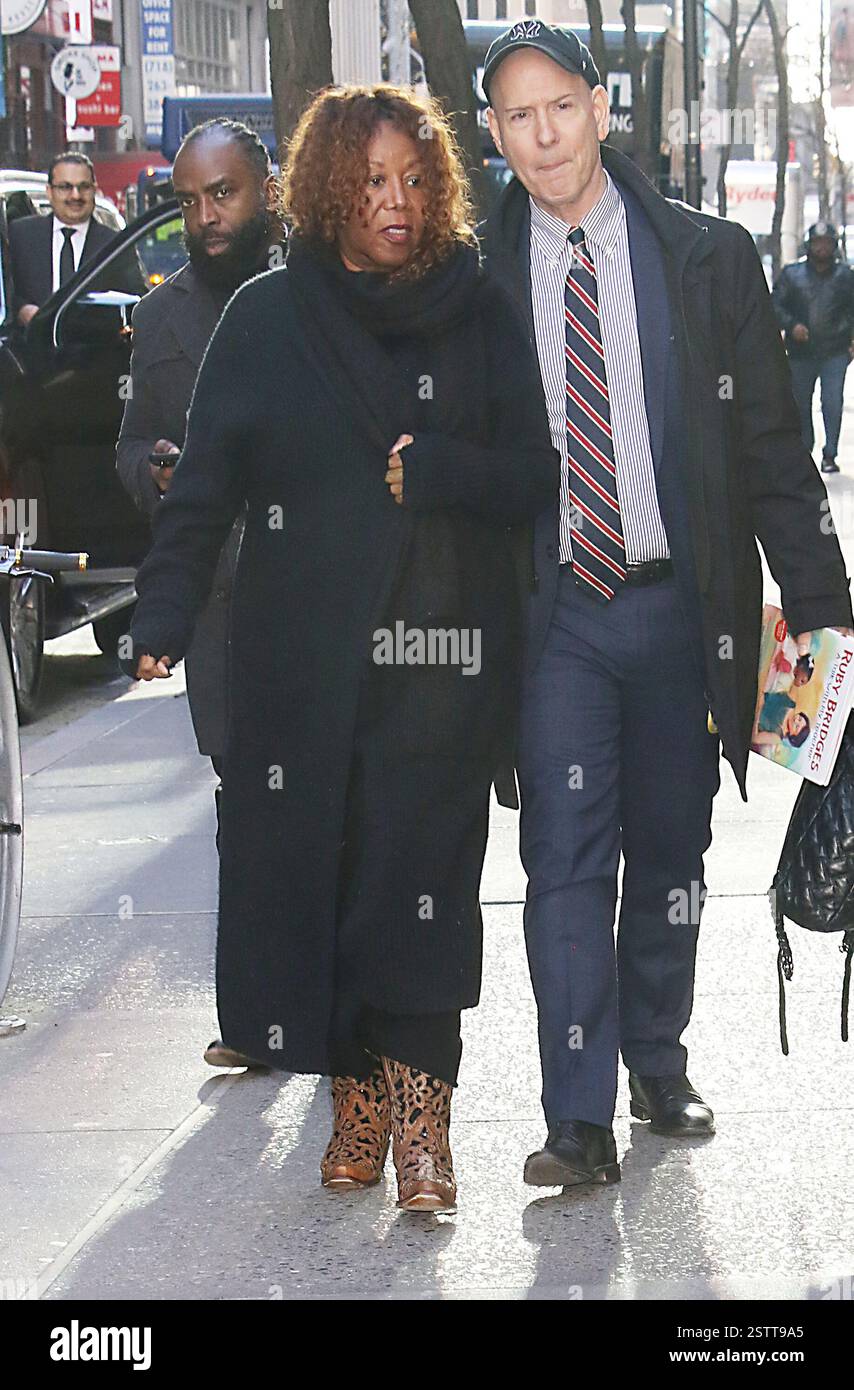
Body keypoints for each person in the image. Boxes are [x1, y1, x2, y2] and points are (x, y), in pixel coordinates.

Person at [120, 84, 559, 1213]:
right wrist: (161, 616)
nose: (396, 203)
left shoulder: (477, 308)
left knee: (424, 888)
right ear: (325, 191)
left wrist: (446, 467)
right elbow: (203, 486)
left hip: (441, 658)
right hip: (305, 672)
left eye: (413, 180)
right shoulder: (268, 318)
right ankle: (356, 1097)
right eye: (369, 183)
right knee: (339, 883)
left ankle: (423, 1127)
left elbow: (530, 472)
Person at [479, 20, 853, 1187]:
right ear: (493, 134)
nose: (541, 136)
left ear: (600, 106)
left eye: (559, 108)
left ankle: (657, 1055)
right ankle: (575, 1112)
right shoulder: (470, 276)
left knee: (671, 845)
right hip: (553, 615)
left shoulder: (704, 257)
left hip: (681, 607)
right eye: (515, 117)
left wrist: (823, 599)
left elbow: (768, 453)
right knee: (564, 857)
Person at [116, 119, 285, 1072]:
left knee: (326, 808)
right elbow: (130, 441)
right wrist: (156, 472)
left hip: (315, 595)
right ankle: (252, 1018)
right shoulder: (164, 314)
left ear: (263, 187)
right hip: (221, 603)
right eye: (187, 201)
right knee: (242, 810)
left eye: (222, 194)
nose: (205, 216)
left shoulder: (317, 290)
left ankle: (336, 1019)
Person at [8, 152, 144, 324]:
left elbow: (138, 301)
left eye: (84, 187)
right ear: (49, 192)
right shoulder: (21, 235)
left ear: (94, 190)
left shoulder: (116, 245)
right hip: (30, 347)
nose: (75, 196)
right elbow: (7, 290)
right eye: (65, 187)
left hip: (93, 347)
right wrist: (21, 310)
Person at [772, 221, 854, 474]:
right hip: (800, 353)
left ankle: (830, 453)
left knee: (831, 402)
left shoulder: (846, 276)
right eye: (817, 243)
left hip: (835, 350)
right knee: (799, 403)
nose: (822, 248)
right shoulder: (792, 274)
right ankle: (804, 448)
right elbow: (775, 305)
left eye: (826, 243)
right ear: (809, 245)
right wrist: (792, 324)